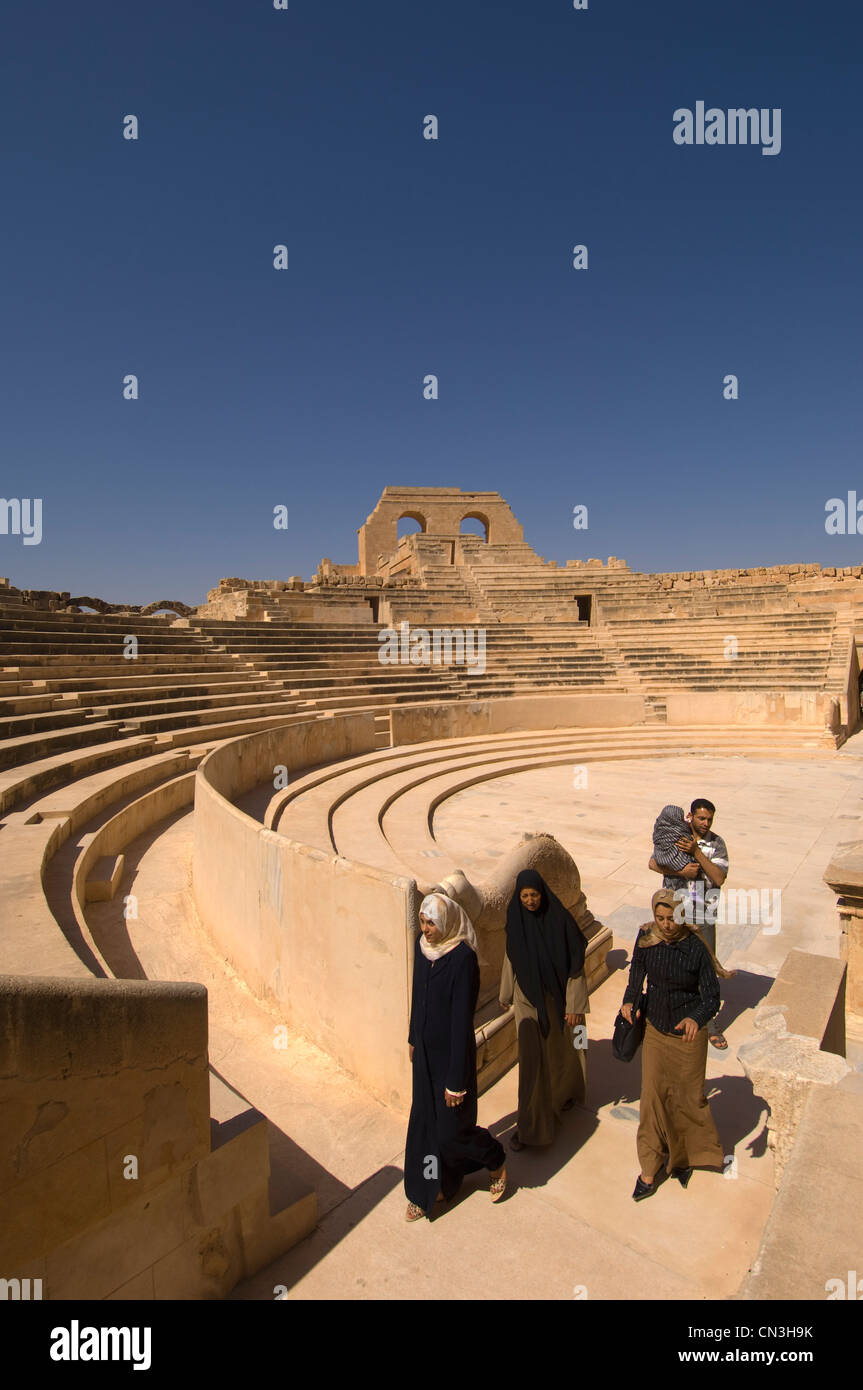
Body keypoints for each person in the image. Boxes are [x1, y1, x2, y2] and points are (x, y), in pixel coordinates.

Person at [404, 892, 506, 1220]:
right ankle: (430, 1188)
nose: (426, 928)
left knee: (450, 1134)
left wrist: (455, 1081)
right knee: (425, 1127)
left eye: (431, 922)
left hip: (450, 1061)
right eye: (423, 921)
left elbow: (461, 1023)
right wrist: (412, 1037)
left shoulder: (461, 958)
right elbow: (417, 995)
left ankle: (495, 1157)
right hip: (424, 1057)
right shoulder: (423, 949)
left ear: (446, 922)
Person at [621, 889, 725, 1201]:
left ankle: (685, 1156)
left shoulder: (695, 948)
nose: (666, 925)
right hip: (655, 1029)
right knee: (651, 1098)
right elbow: (635, 976)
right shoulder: (646, 939)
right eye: (660, 918)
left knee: (687, 1098)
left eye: (672, 918)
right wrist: (629, 1001)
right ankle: (649, 1169)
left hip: (688, 1038)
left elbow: (711, 997)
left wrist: (697, 1018)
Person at [499, 868, 589, 1150]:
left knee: (568, 1052)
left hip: (558, 1000)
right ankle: (532, 1127)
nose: (529, 901)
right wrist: (505, 994)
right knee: (532, 1065)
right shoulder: (516, 920)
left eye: (534, 894)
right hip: (528, 1002)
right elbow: (511, 957)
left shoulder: (559, 919)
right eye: (524, 895)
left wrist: (574, 1004)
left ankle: (567, 1097)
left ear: (542, 893)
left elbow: (575, 963)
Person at [649, 797, 735, 1049]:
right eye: (701, 818)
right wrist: (680, 872)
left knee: (706, 968)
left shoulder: (716, 844)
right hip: (675, 913)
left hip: (703, 912)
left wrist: (696, 852)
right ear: (690, 817)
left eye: (709, 819)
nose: (705, 823)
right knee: (669, 964)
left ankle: (709, 1023)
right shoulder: (677, 834)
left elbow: (718, 878)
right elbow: (653, 862)